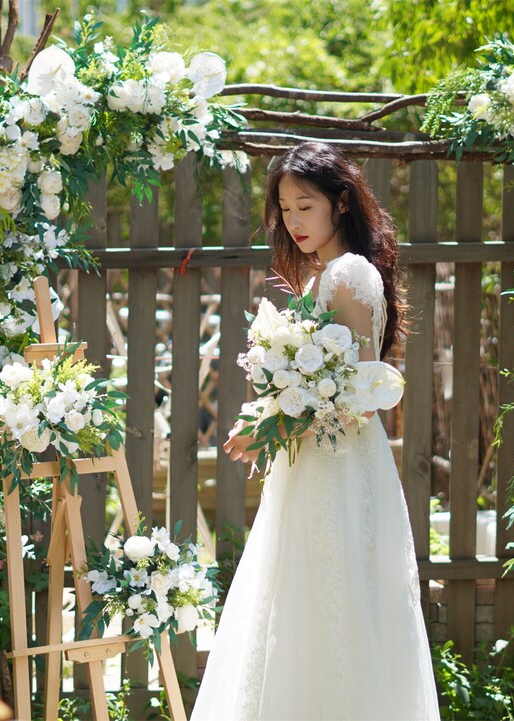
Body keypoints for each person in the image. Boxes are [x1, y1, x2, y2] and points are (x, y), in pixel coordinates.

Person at [191, 142, 439, 720]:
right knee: (305, 605)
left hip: (338, 466)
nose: (294, 222)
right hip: (315, 464)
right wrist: (270, 411)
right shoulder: (320, 276)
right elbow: (321, 382)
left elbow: (359, 397)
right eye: (285, 209)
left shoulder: (347, 274)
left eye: (306, 206)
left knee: (331, 605)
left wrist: (273, 425)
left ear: (341, 202)